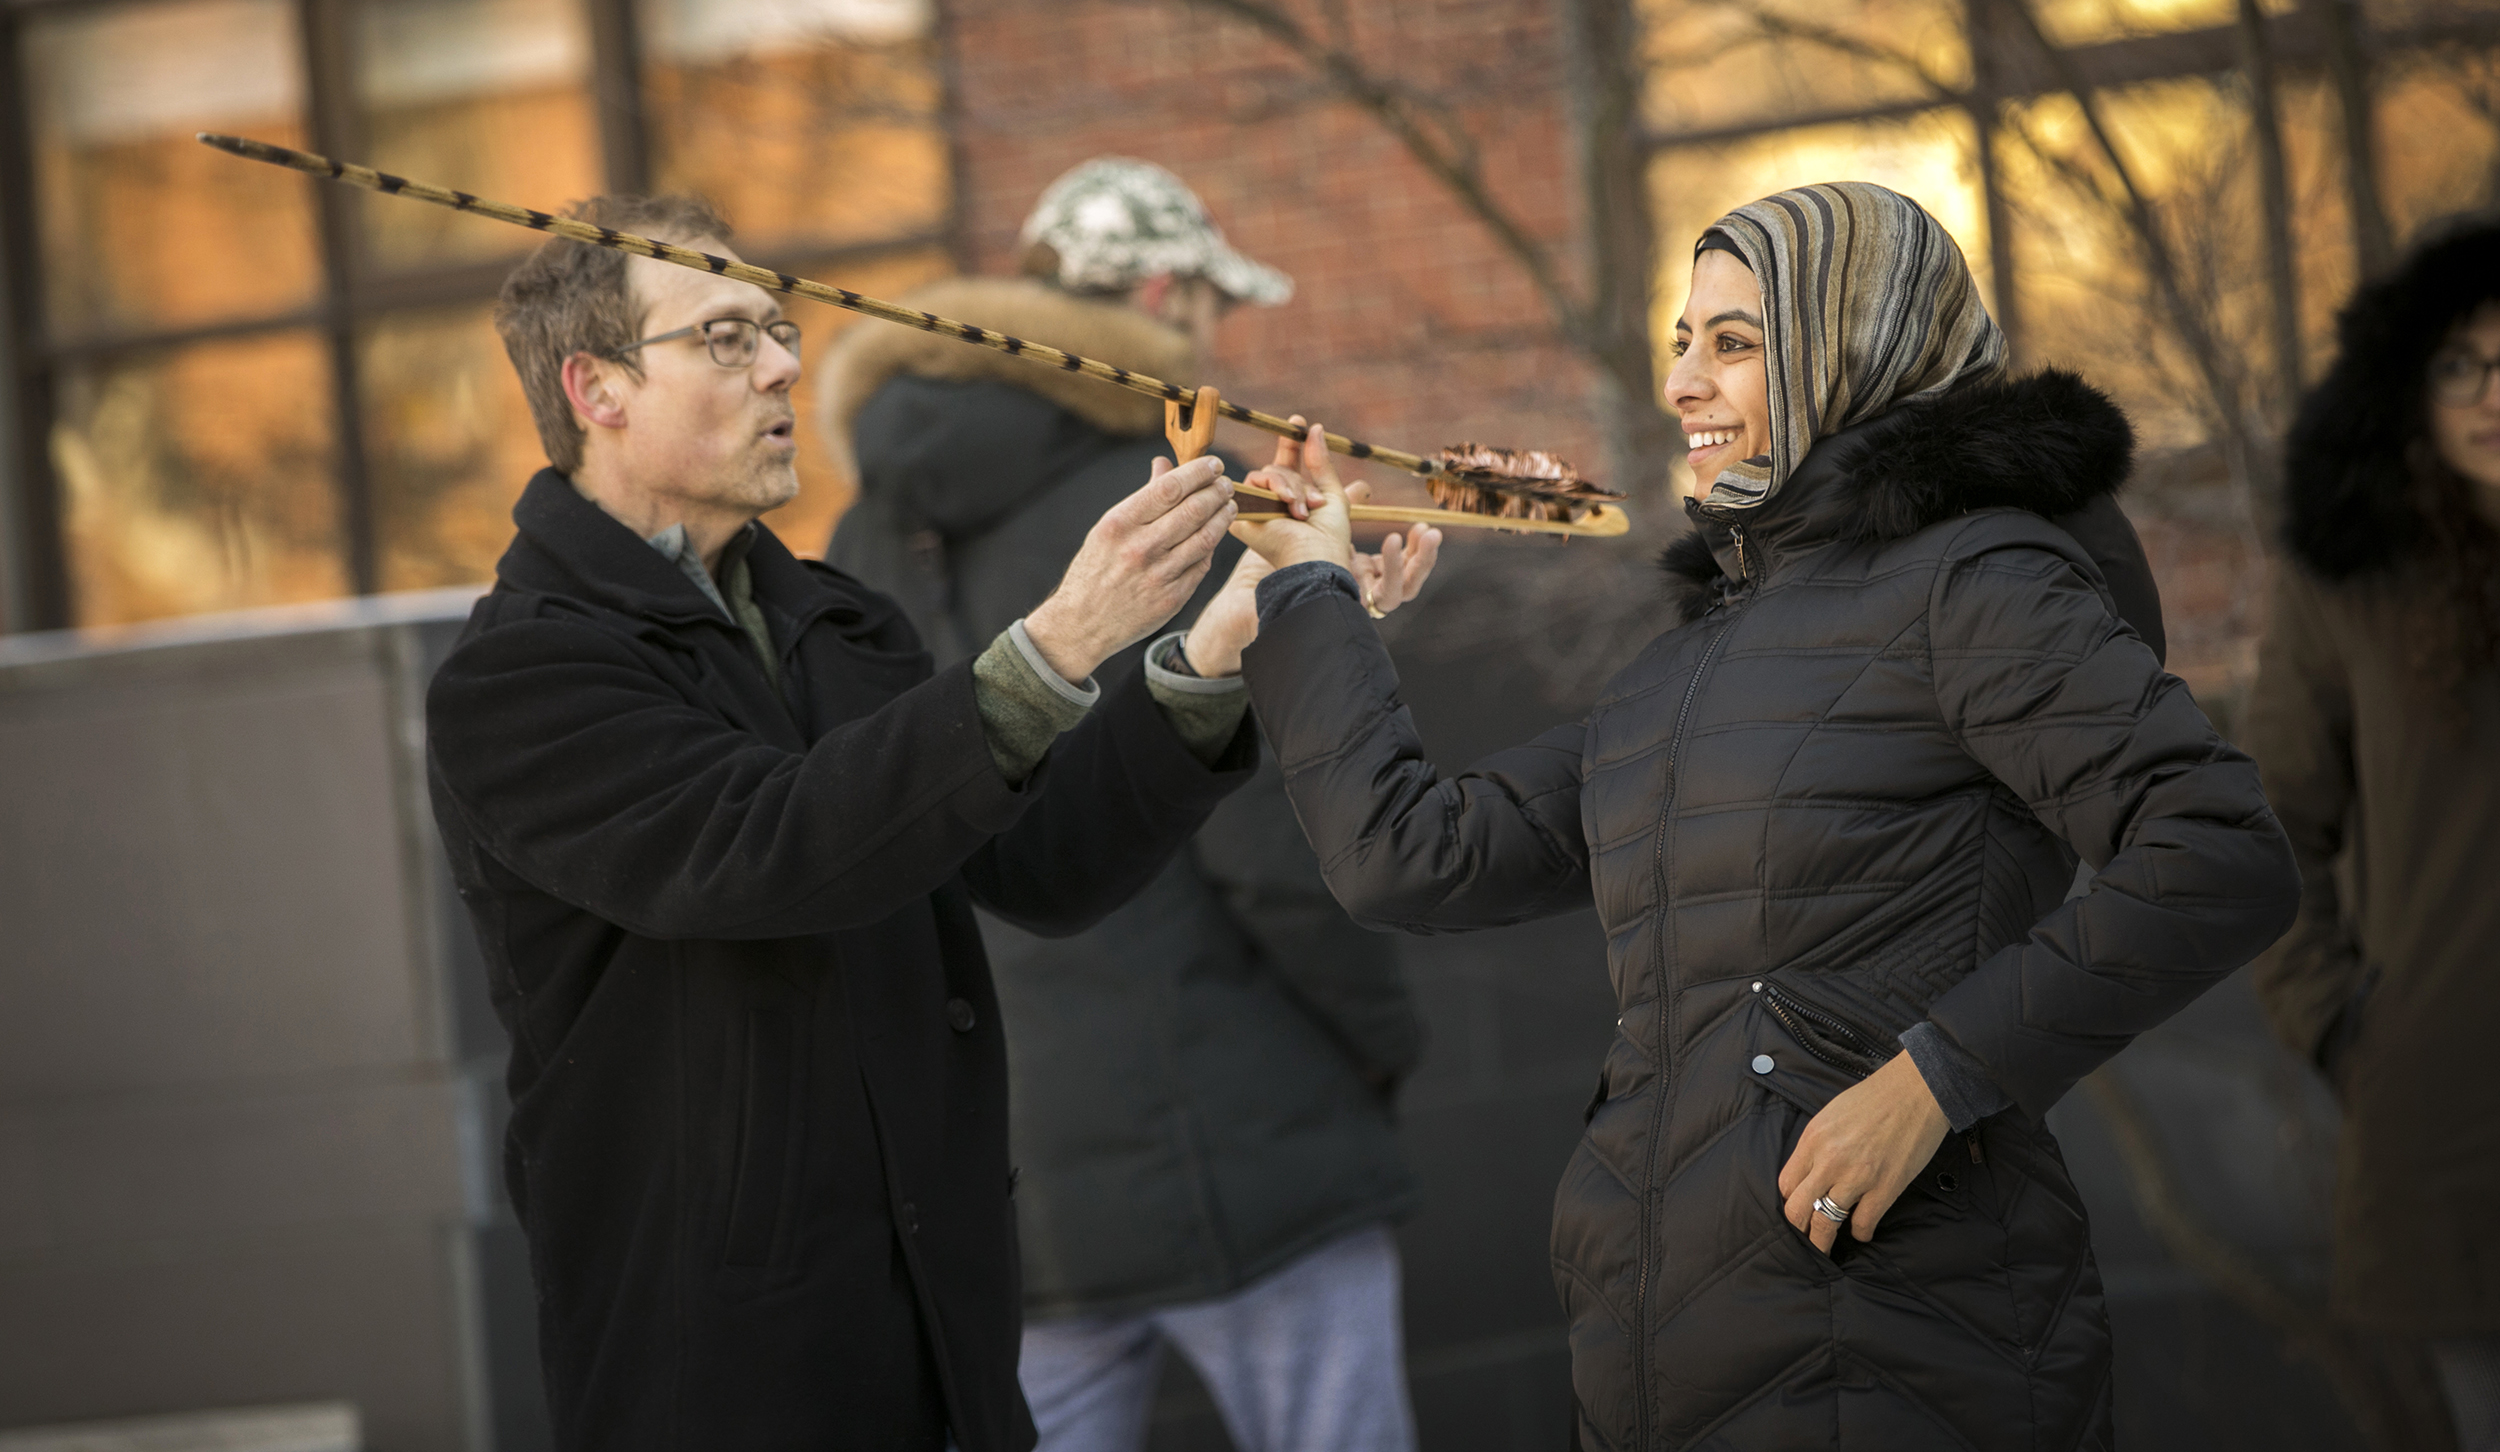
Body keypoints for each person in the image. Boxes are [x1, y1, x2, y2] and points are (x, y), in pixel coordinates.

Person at [1228, 182, 2298, 1449]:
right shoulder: (1691, 668)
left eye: (1734, 342)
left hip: (1898, 1342)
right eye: (1681, 341)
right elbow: (1410, 858)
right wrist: (1309, 599)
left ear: (1861, 349)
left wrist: (1936, 1077)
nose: (1684, 380)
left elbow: (2216, 848)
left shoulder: (1976, 585)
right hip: (1657, 1351)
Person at [423, 191, 1271, 1452]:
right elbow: (767, 848)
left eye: (775, 327)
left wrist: (1225, 633)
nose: (780, 363)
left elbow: (1034, 862)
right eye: (721, 337)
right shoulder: (520, 678)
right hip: (719, 1371)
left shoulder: (837, 616)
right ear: (595, 388)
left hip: (945, 1335)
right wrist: (1058, 639)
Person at [819, 157, 1437, 1452]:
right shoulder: (1174, 503)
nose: (1214, 340)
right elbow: (1281, 842)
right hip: (1244, 1135)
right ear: (1162, 292)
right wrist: (1377, 1034)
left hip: (1006, 1178)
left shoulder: (861, 538)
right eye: (1211, 305)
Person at [2248, 216, 2500, 1452]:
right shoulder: (2347, 580)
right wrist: (2348, 1026)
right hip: (2453, 1114)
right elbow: (2265, 834)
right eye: (2460, 364)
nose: (2491, 395)